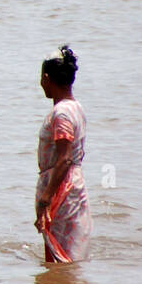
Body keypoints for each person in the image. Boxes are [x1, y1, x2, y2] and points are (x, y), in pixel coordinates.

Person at [35, 46, 92, 262]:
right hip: (71, 182)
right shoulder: (76, 107)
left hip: (61, 186)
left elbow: (65, 157)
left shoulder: (62, 113)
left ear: (47, 78)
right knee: (67, 249)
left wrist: (46, 197)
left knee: (59, 254)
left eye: (41, 79)